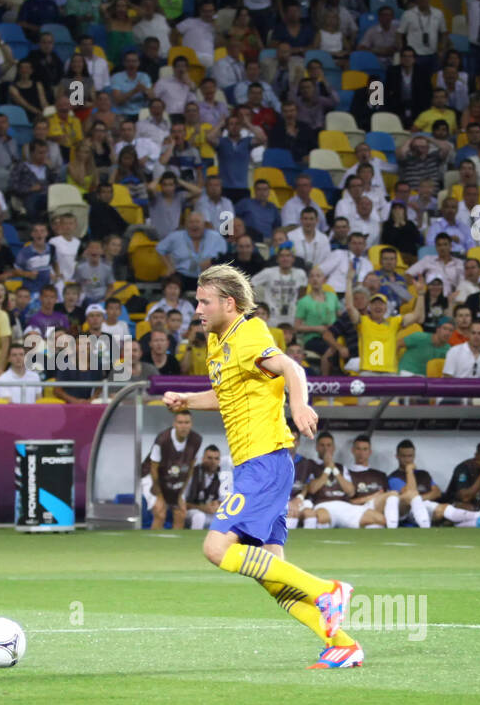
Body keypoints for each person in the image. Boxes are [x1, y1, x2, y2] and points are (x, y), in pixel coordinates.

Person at [162, 265, 362, 670]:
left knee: (216, 549)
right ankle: (343, 645)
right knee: (273, 576)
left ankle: (328, 590)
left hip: (264, 461)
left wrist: (299, 403)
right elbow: (226, 396)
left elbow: (292, 368)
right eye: (196, 301)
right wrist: (187, 400)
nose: (197, 308)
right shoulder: (219, 343)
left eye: (204, 302)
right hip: (258, 464)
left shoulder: (249, 333)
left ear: (228, 303)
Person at [144, 410, 202, 530]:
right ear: (174, 424)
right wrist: (160, 496)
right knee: (160, 511)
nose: (183, 426)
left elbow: (190, 468)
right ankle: (152, 545)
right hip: (152, 476)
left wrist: (180, 494)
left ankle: (175, 547)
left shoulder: (196, 440)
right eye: (180, 422)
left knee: (180, 512)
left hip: (176, 477)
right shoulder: (162, 439)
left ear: (191, 424)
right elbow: (154, 468)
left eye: (187, 422)